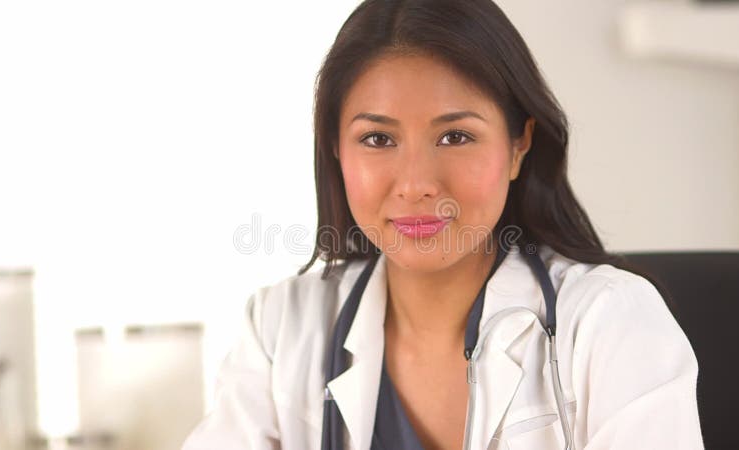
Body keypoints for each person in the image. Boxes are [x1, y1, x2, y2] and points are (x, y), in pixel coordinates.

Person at [181, 0, 704, 449]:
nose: (416, 184)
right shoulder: (281, 330)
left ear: (519, 145)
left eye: (455, 136)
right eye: (377, 139)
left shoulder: (610, 324)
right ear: (336, 151)